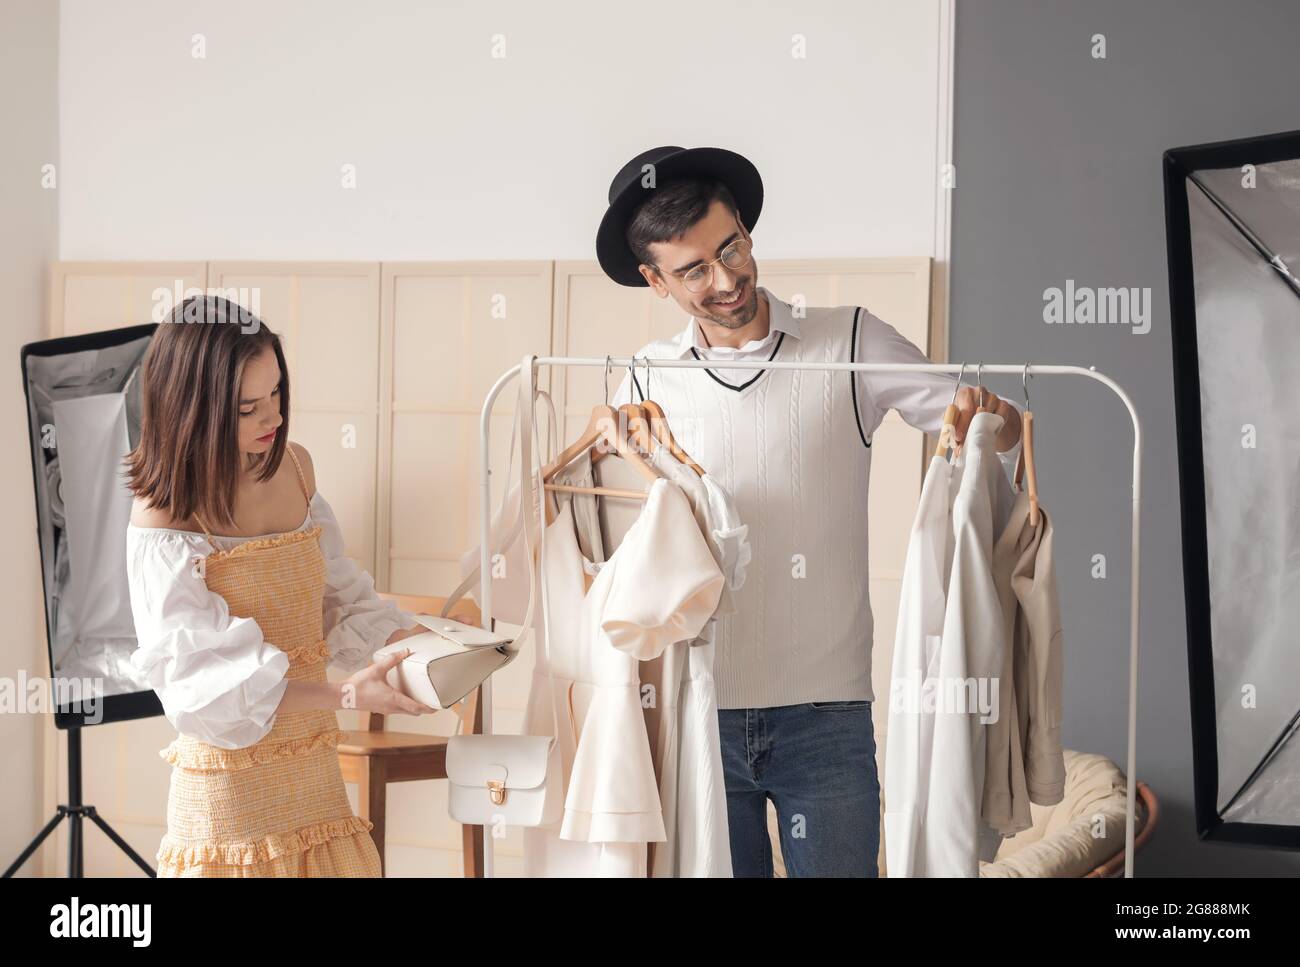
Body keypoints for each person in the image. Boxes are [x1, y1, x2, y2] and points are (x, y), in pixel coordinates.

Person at [595, 145, 1023, 876]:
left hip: (826, 716)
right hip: (695, 707)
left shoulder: (851, 340)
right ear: (655, 280)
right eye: (693, 269)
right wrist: (607, 444)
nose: (725, 279)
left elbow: (998, 431)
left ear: (748, 232)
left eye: (730, 248)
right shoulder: (644, 377)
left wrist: (992, 415)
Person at [123, 295, 434, 877]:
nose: (271, 419)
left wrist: (433, 641)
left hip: (312, 772)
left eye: (276, 395)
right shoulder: (165, 514)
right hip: (231, 793)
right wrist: (345, 696)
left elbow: (338, 599)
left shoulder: (295, 467)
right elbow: (205, 685)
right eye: (247, 408)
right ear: (193, 410)